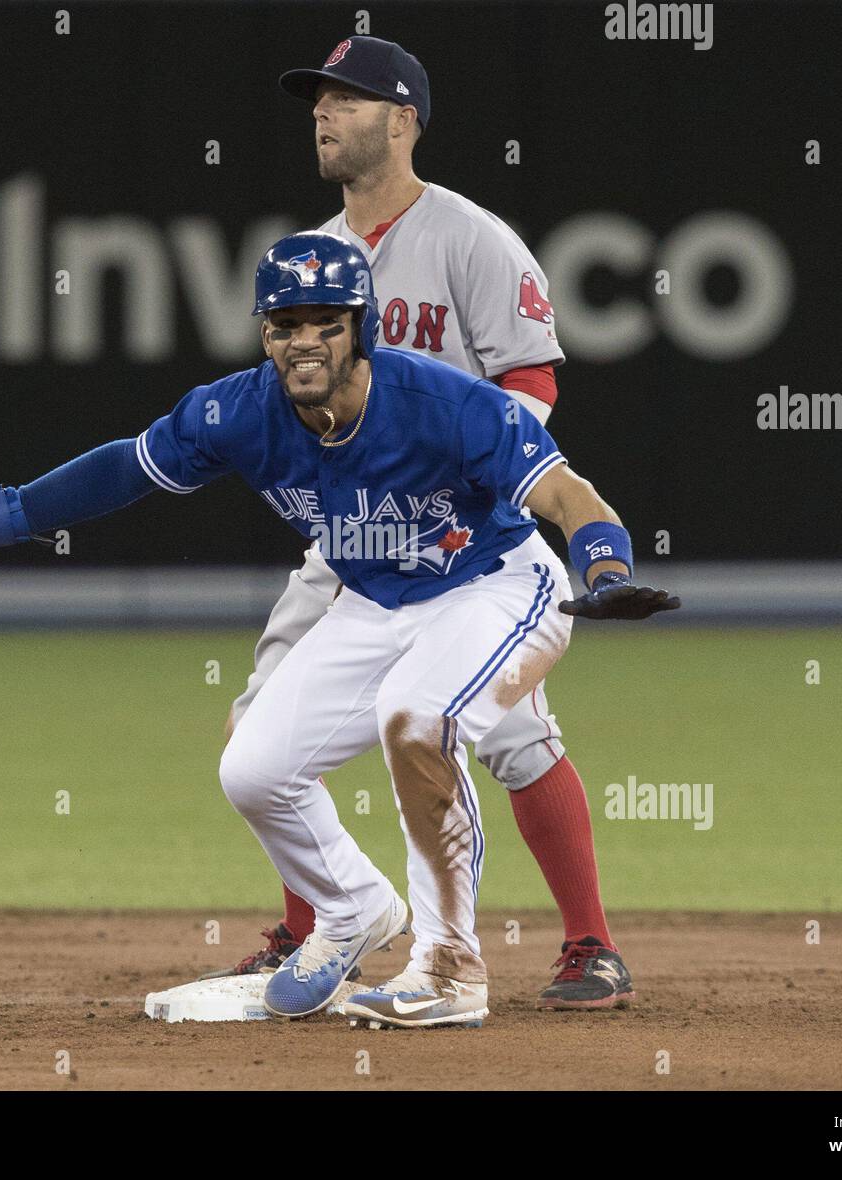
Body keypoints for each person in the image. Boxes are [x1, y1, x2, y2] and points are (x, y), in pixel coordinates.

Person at [0, 231, 679, 1029]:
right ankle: (354, 908)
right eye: (285, 325)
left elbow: (570, 497)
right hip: (375, 601)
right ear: (264, 335)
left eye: (327, 322)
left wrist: (606, 569)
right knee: (254, 767)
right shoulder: (237, 413)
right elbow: (124, 468)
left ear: (365, 328)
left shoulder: (441, 402)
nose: (305, 341)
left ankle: (451, 966)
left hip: (496, 586)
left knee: (419, 723)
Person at [210, 35, 637, 1010]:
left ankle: (589, 946)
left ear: (404, 119)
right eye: (317, 100)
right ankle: (319, 927)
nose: (322, 113)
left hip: (465, 538)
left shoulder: (469, 239)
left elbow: (529, 379)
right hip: (351, 538)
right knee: (259, 722)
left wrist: (478, 487)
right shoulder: (316, 254)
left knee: (514, 735)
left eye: (348, 100)